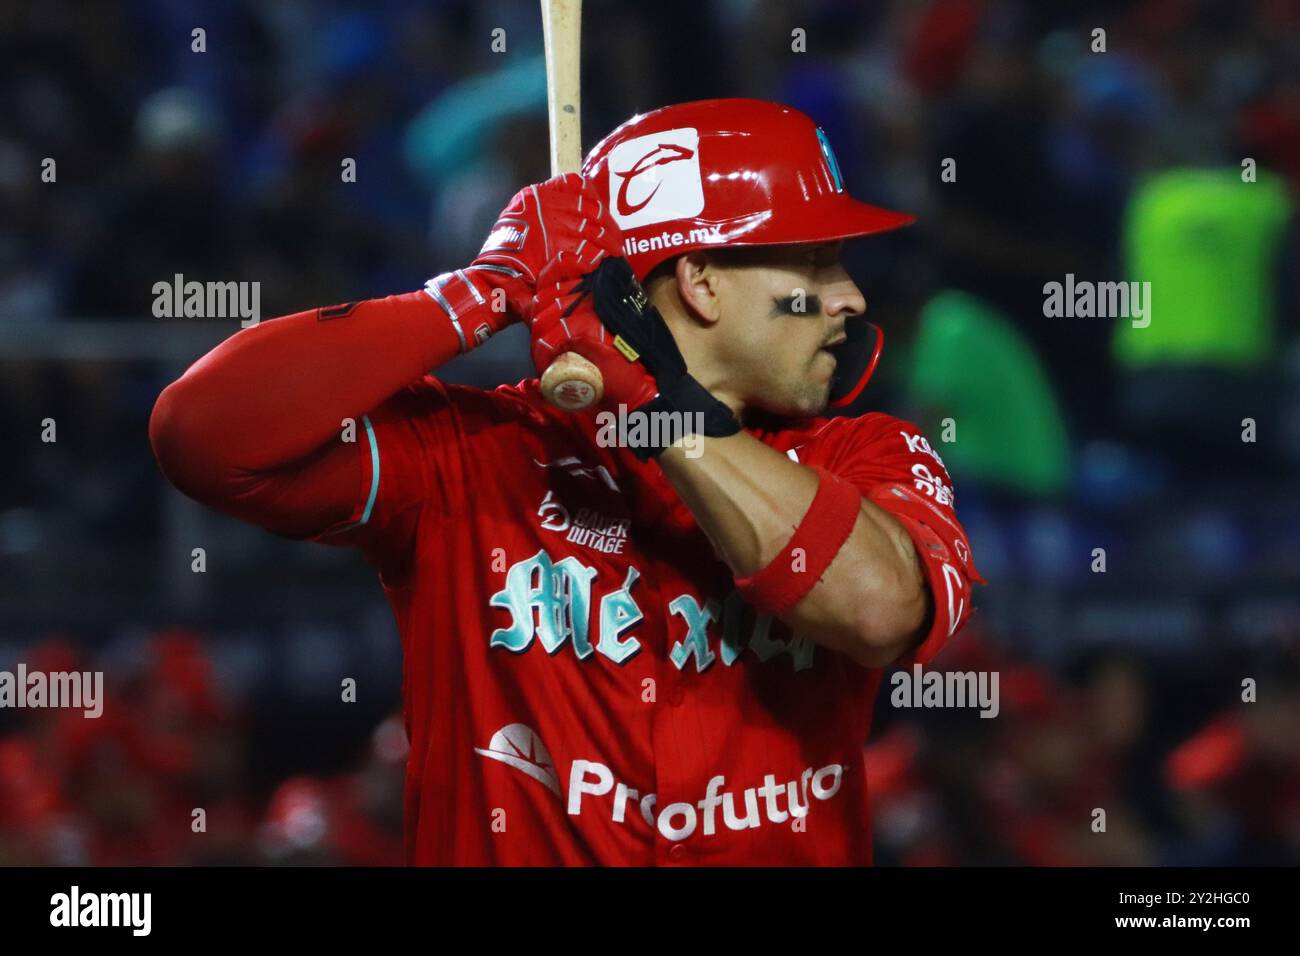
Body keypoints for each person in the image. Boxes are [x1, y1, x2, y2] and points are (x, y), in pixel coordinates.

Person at [149, 98, 984, 865]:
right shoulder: (475, 452)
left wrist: (654, 401)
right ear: (700, 281)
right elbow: (205, 435)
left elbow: (878, 609)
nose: (850, 296)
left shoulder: (865, 453)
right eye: (814, 264)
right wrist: (475, 297)